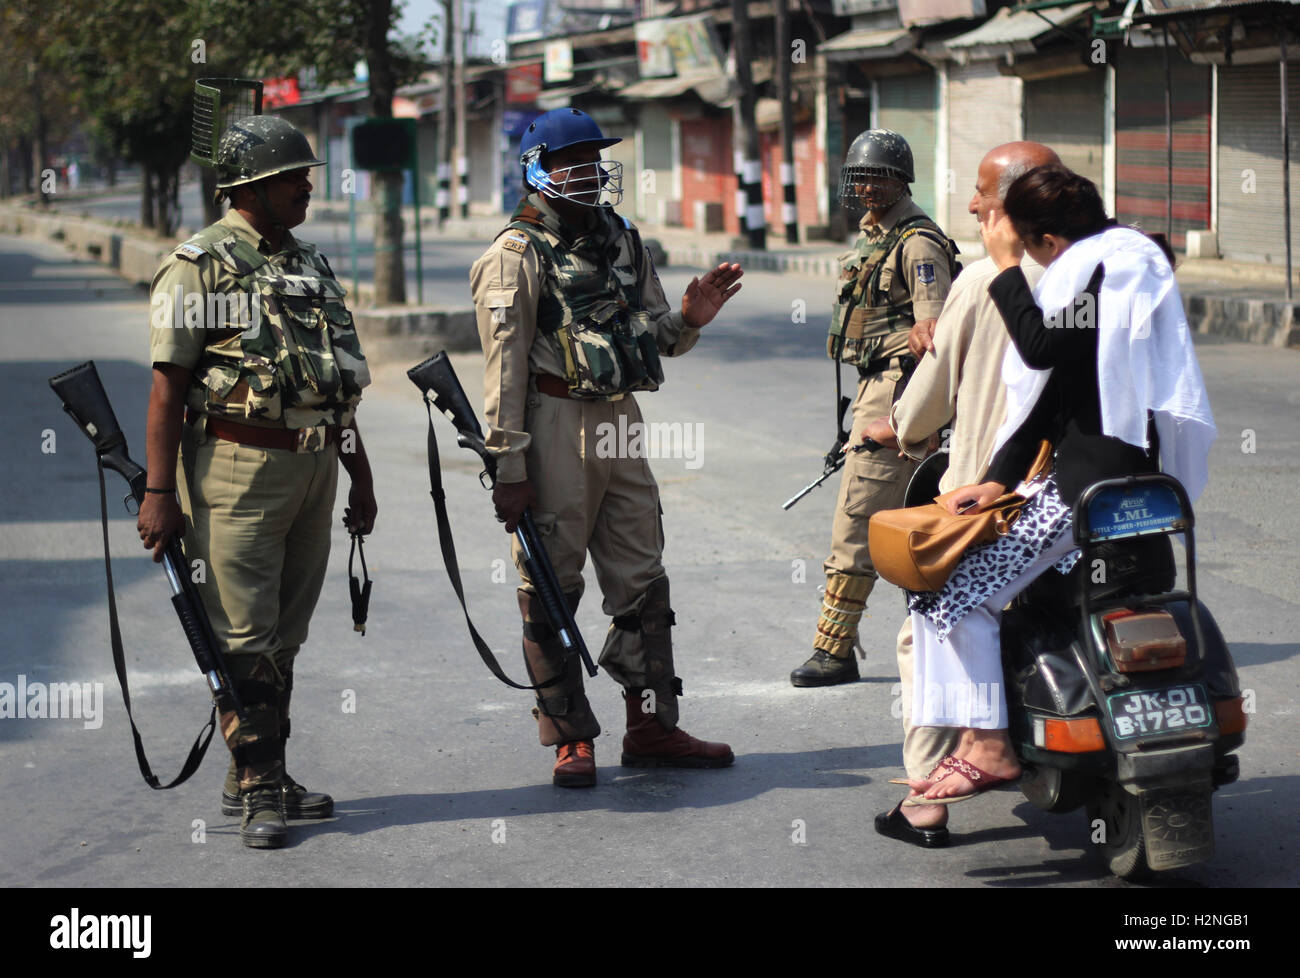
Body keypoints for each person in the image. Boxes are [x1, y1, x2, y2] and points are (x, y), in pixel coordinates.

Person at [889, 165, 1215, 821]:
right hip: (1135, 485)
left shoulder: (1099, 272)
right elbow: (1054, 399)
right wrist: (994, 482)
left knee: (946, 595)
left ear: (1043, 237)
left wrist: (1007, 263)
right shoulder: (1127, 260)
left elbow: (1038, 350)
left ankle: (986, 747)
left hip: (1086, 487)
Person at [470, 107, 743, 787]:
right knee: (551, 583)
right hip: (553, 421)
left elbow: (656, 334)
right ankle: (568, 736)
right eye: (574, 161)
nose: (591, 172)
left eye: (596, 159)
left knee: (642, 577)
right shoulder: (514, 255)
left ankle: (651, 726)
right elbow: (502, 369)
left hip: (619, 420)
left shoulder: (622, 238)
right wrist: (509, 465)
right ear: (537, 171)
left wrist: (690, 319)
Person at [137, 114, 377, 848]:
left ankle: (255, 770)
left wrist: (359, 477)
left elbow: (334, 386)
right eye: (292, 178)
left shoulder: (310, 263)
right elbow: (167, 390)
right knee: (242, 637)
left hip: (312, 466)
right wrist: (158, 493)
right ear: (250, 187)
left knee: (283, 636)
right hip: (237, 468)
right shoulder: (199, 265)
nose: (308, 185)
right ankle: (261, 789)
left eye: (306, 175)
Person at [858, 142, 1061, 847]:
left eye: (983, 195)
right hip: (1095, 493)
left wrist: (899, 427)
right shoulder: (1092, 272)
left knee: (927, 626)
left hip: (992, 500)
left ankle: (924, 799)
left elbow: (926, 401)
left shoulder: (981, 281)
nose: (971, 206)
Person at [790, 129, 958, 688]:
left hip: (900, 390)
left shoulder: (917, 243)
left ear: (898, 180)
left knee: (858, 518)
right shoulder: (874, 235)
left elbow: (934, 340)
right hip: (875, 389)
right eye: (857, 176)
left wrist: (911, 419)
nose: (862, 187)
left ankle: (834, 651)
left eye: (873, 177)